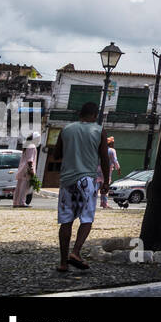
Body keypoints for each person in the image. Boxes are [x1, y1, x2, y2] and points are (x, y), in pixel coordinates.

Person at [52, 102, 109, 273]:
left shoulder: (66, 129)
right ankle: (76, 252)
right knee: (86, 218)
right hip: (87, 180)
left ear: (80, 114)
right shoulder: (99, 131)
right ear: (95, 115)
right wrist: (105, 181)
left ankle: (63, 263)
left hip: (67, 180)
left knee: (66, 221)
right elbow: (104, 158)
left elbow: (56, 155)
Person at [14, 132, 39, 208]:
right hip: (27, 170)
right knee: (25, 187)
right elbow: (30, 160)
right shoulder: (32, 146)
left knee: (19, 187)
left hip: (22, 169)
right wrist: (31, 169)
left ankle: (16, 203)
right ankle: (21, 202)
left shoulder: (27, 145)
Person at [99, 137, 120, 209]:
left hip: (97, 170)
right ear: (110, 144)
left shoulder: (100, 149)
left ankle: (91, 203)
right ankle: (104, 204)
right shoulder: (112, 150)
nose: (114, 144)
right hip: (107, 171)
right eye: (113, 143)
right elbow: (115, 160)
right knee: (105, 187)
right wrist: (118, 169)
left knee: (95, 188)